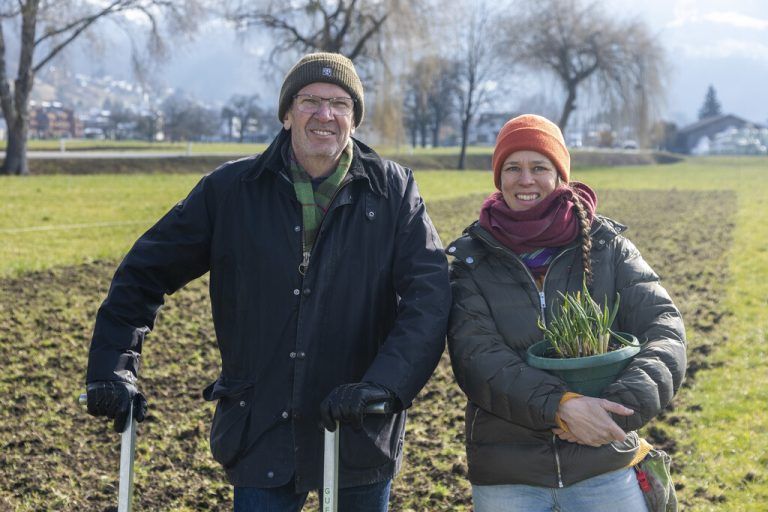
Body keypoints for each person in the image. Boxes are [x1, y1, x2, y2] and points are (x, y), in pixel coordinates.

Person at [85, 52, 451, 511]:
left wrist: (383, 386)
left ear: (354, 119)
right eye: (310, 100)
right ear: (286, 113)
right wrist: (112, 368)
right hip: (260, 425)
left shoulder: (394, 192)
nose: (325, 115)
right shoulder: (230, 191)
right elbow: (143, 275)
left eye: (339, 103)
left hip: (359, 425)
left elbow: (430, 298)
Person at [446, 114, 686, 512]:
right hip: (508, 473)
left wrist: (615, 412)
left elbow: (665, 330)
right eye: (513, 168)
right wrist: (562, 407)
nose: (526, 180)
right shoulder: (473, 260)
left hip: (604, 460)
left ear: (560, 174)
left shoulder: (609, 247)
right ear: (498, 177)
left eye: (539, 167)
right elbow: (477, 358)